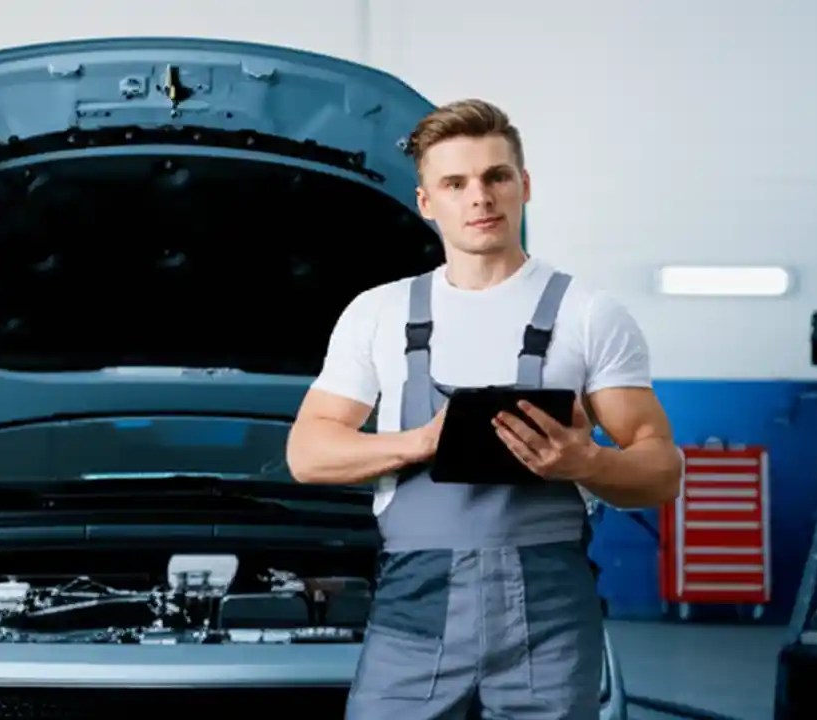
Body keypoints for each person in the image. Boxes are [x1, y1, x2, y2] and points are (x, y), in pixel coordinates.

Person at [286, 98, 683, 720]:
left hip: (550, 613)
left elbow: (662, 471)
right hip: (416, 605)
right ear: (426, 202)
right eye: (455, 183)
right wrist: (422, 442)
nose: (480, 197)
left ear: (524, 185)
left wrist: (585, 462)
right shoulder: (379, 313)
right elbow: (307, 455)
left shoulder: (588, 314)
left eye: (496, 176)